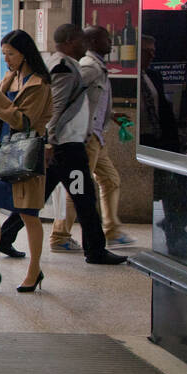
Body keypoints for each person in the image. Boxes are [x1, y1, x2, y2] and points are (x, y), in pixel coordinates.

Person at [0, 24, 126, 266]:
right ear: (70, 42)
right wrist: (49, 142)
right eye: (81, 40)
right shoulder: (63, 68)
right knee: (84, 198)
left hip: (65, 147)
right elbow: (55, 107)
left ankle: (5, 237)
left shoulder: (67, 65)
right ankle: (95, 251)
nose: (86, 45)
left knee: (42, 196)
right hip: (66, 148)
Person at [0, 29, 52, 294]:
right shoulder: (10, 78)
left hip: (24, 155)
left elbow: (22, 121)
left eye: (11, 54)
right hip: (1, 151)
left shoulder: (39, 84)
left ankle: (34, 269)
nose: (6, 60)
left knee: (28, 214)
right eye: (4, 54)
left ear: (25, 54)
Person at [48, 25, 133, 251]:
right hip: (83, 138)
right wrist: (51, 138)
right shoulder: (86, 67)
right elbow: (65, 100)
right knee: (76, 191)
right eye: (106, 39)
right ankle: (60, 236)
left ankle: (112, 231)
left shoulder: (95, 66)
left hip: (95, 135)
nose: (111, 43)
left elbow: (88, 99)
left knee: (110, 180)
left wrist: (111, 115)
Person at [141, 33, 187, 257]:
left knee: (178, 192)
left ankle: (175, 233)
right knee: (170, 192)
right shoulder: (129, 78)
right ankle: (175, 234)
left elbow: (164, 109)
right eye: (147, 52)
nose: (152, 56)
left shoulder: (153, 76)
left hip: (160, 142)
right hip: (142, 143)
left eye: (153, 52)